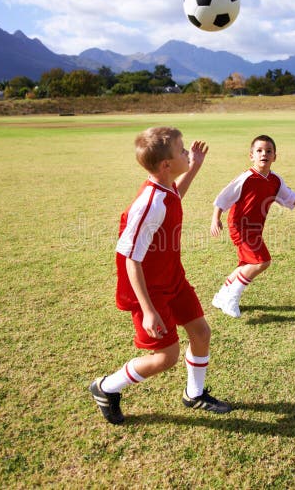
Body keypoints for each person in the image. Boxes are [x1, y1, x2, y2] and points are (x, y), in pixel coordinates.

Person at [89, 126, 232, 425]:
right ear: (166, 165)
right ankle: (105, 388)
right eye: (182, 151)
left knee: (201, 334)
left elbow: (175, 193)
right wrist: (148, 310)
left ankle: (194, 394)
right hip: (150, 292)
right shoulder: (149, 204)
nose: (186, 153)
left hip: (173, 279)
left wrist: (193, 167)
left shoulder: (164, 187)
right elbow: (131, 258)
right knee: (165, 358)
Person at [210, 134, 295, 318]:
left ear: (275, 156)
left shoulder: (275, 180)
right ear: (251, 155)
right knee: (262, 261)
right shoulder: (246, 178)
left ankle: (221, 296)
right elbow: (223, 197)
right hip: (239, 226)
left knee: (247, 263)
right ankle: (231, 298)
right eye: (259, 151)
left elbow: (290, 198)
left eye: (268, 151)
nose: (264, 154)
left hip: (256, 228)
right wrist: (215, 218)